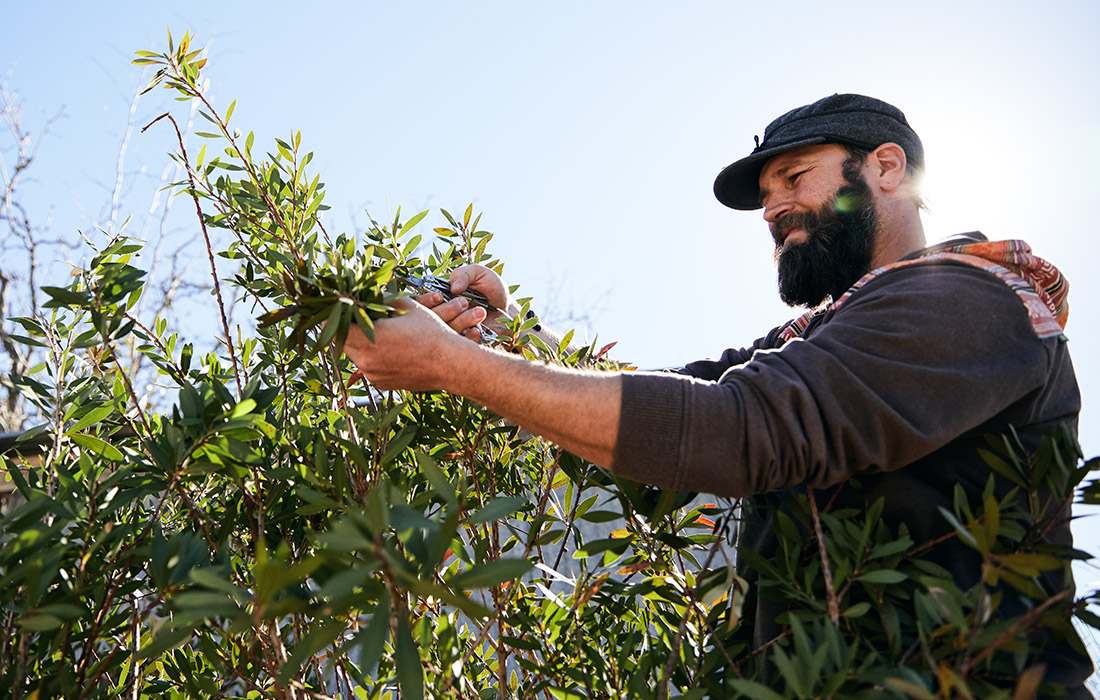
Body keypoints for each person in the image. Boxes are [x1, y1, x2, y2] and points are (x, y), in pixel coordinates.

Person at [342, 94, 1093, 693]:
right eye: (767, 196)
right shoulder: (822, 337)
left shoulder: (968, 299)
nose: (772, 210)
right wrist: (506, 335)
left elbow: (737, 429)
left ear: (888, 167)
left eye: (795, 179)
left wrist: (455, 368)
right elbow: (684, 399)